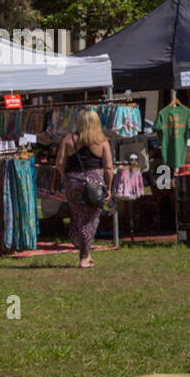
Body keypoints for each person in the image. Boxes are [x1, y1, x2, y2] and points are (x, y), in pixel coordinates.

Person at [56, 109, 115, 268]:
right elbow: (109, 168)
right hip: (94, 184)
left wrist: (69, 177)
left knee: (77, 215)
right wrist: (108, 188)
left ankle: (77, 241)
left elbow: (60, 163)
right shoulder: (102, 142)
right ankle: (84, 257)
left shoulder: (68, 140)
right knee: (89, 221)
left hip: (72, 182)